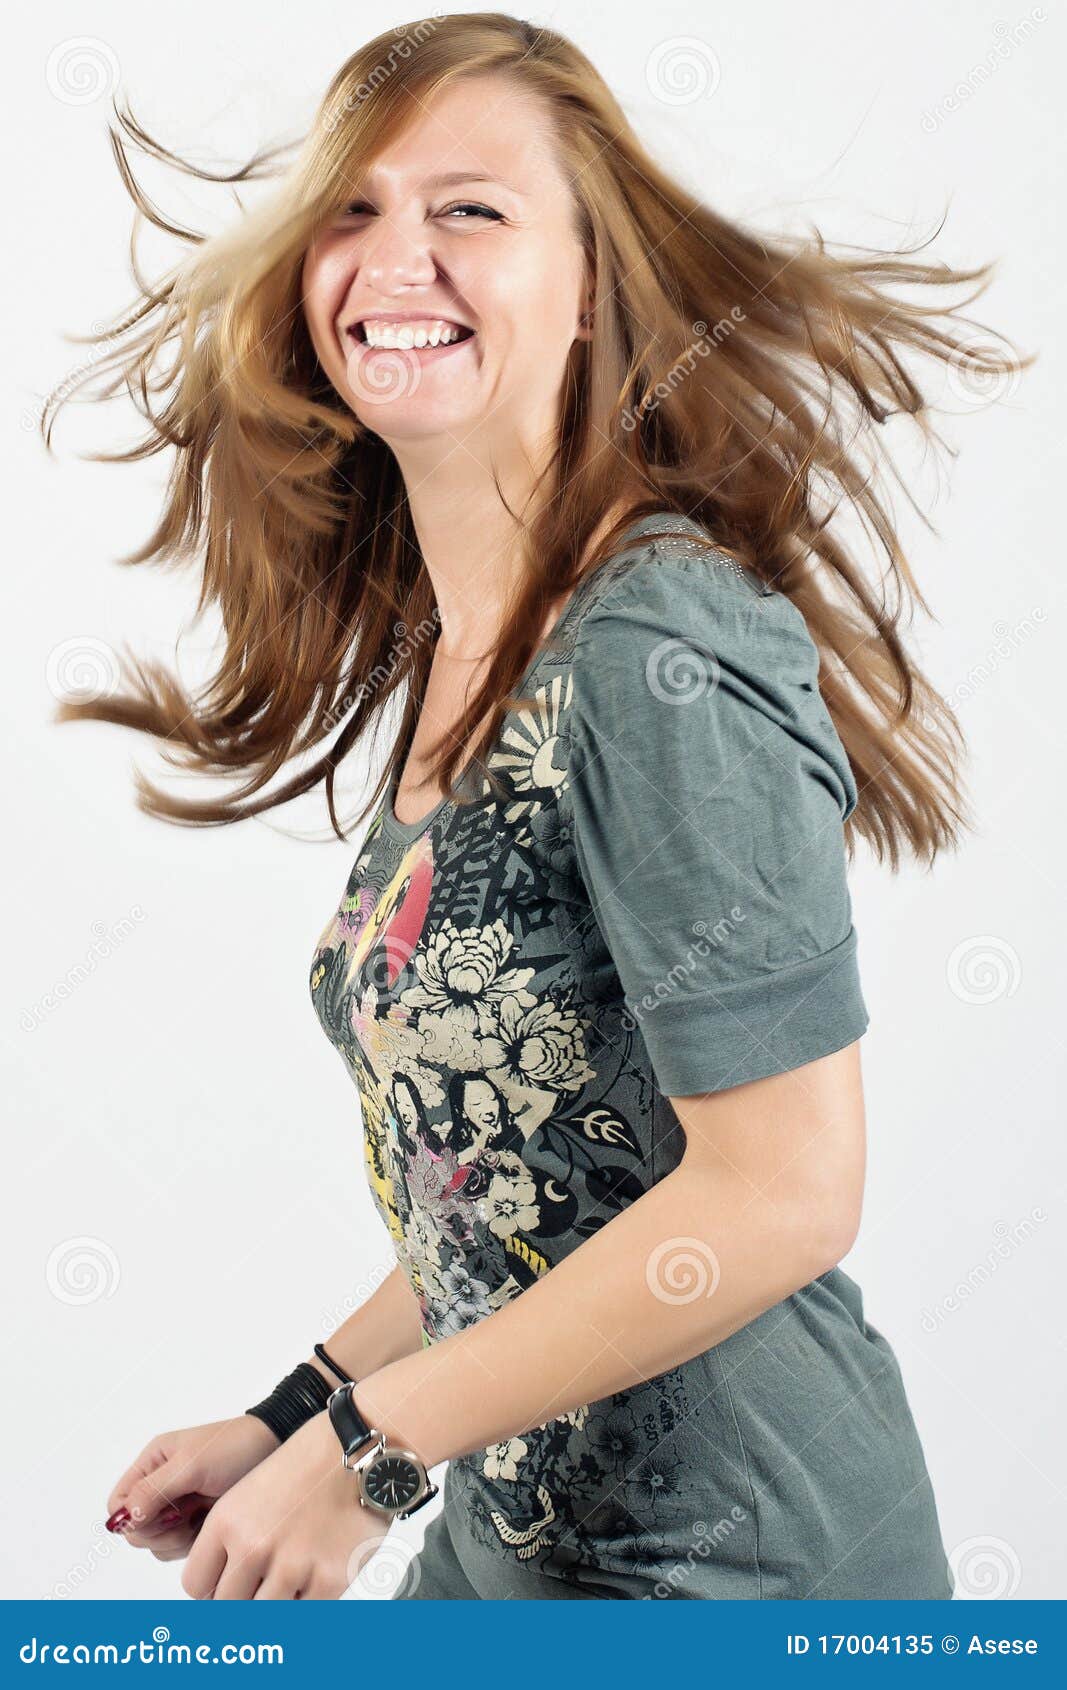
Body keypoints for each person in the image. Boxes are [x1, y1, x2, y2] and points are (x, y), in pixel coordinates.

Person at [49, 14, 1024, 1599]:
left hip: (743, 1581)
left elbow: (785, 1188)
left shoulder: (655, 645)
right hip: (518, 1562)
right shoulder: (476, 654)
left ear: (588, 289)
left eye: (470, 209)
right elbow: (516, 1180)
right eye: (353, 210)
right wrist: (296, 1412)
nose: (396, 256)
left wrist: (366, 1455)